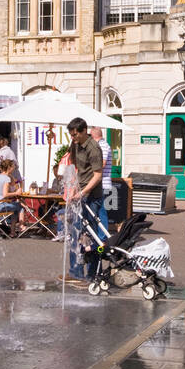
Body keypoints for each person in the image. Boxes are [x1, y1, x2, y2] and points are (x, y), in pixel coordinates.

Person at [67, 118, 105, 280]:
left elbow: (98, 175)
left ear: (84, 131)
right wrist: (74, 189)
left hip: (92, 196)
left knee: (91, 235)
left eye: (75, 134)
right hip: (80, 193)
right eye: (71, 134)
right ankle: (75, 272)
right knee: (74, 232)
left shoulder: (93, 148)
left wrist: (83, 192)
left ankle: (93, 274)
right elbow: (78, 169)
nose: (73, 138)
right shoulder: (76, 145)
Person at [0, 158, 23, 237]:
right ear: (9, 167)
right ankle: (20, 227)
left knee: (15, 206)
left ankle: (13, 232)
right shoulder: (6, 178)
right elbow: (5, 194)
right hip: (0, 205)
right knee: (19, 206)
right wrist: (16, 193)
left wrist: (11, 177)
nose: (14, 168)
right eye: (13, 167)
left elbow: (12, 184)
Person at [93, 127, 112, 233]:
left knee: (101, 211)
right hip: (99, 183)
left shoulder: (103, 145)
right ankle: (99, 235)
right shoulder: (101, 145)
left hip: (102, 183)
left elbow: (102, 163)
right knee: (98, 210)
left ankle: (102, 236)